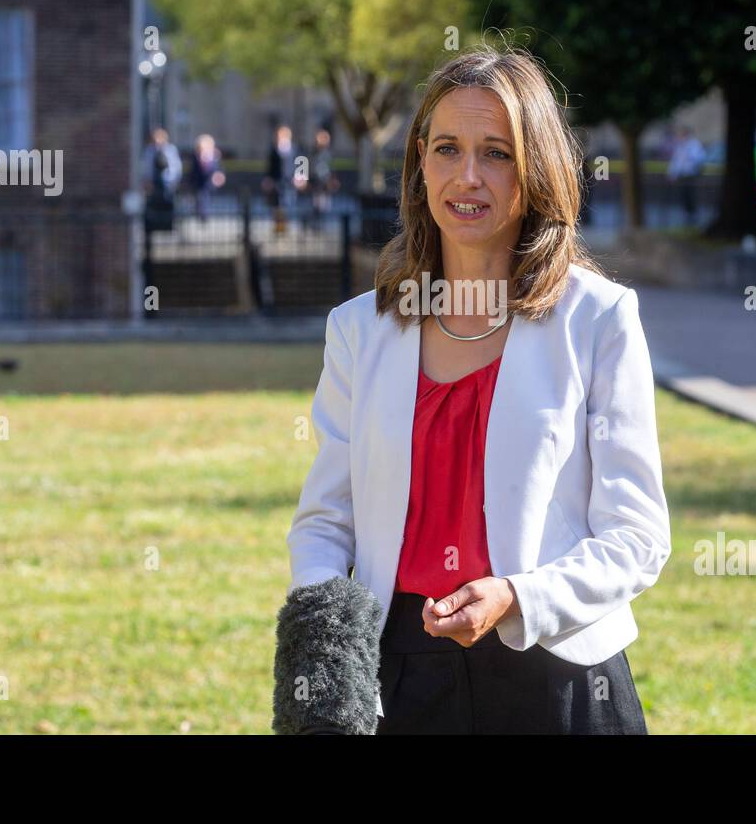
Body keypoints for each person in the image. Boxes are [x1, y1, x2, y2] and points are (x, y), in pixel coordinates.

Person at [286, 44, 671, 734]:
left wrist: (518, 597)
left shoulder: (598, 320)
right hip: (399, 676)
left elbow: (637, 537)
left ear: (537, 169)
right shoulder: (358, 331)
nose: (467, 176)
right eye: (446, 149)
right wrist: (323, 664)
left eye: (496, 152)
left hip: (558, 678)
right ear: (419, 165)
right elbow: (325, 525)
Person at [668, 124, 705, 225]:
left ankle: (693, 215)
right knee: (683, 194)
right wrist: (673, 174)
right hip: (682, 175)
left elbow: (699, 158)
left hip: (691, 175)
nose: (681, 136)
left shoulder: (694, 144)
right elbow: (676, 162)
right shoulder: (680, 146)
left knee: (690, 194)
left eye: (683, 134)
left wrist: (692, 163)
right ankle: (686, 214)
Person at [188, 134, 226, 222]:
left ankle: (204, 215)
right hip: (199, 182)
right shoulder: (196, 156)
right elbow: (193, 171)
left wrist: (219, 176)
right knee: (201, 198)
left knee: (205, 198)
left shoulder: (215, 156)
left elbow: (219, 168)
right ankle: (202, 215)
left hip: (209, 182)